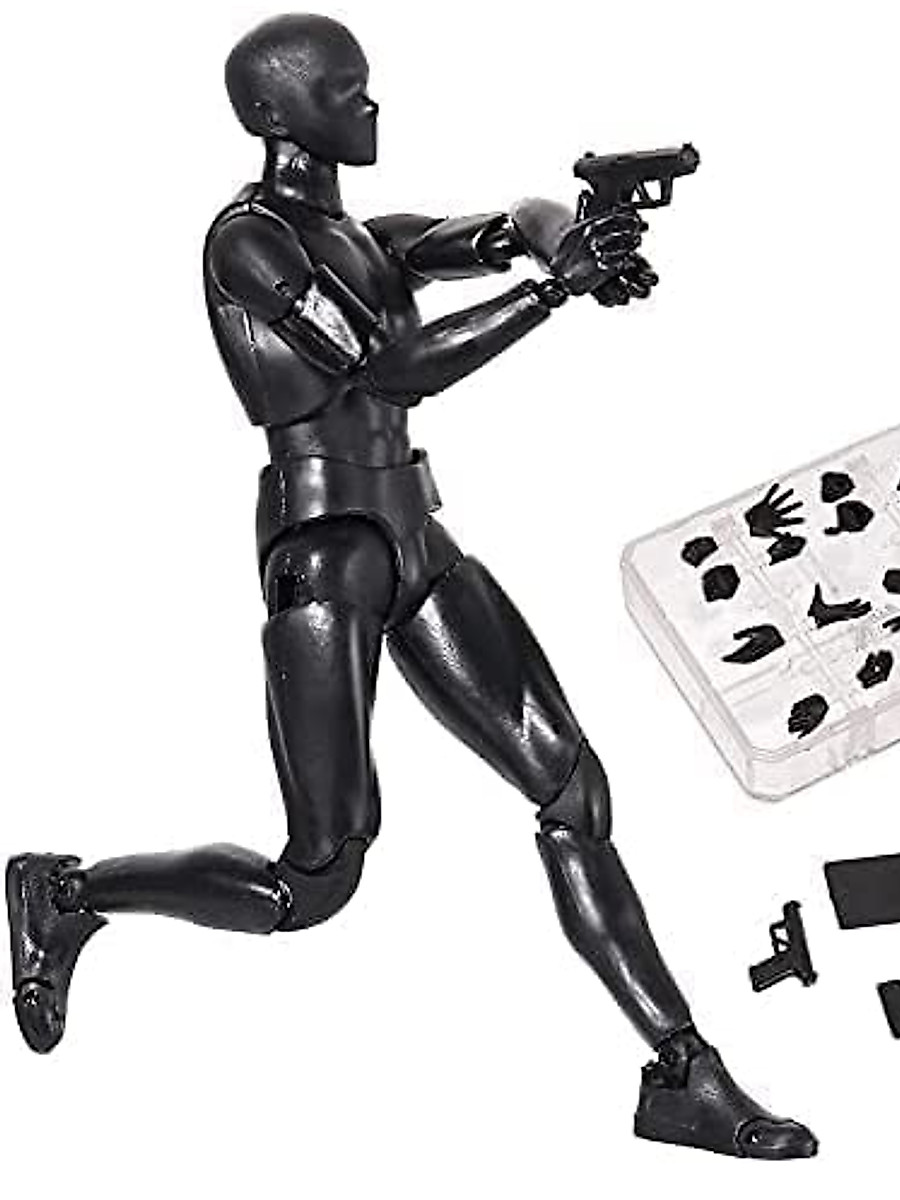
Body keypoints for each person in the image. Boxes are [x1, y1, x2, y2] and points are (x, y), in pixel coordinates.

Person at [6, 13, 816, 1160]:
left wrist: (571, 228)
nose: (370, 105)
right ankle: (67, 893)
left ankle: (684, 1074)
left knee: (571, 789)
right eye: (346, 90)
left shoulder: (361, 239)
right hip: (324, 556)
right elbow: (390, 369)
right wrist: (552, 293)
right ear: (276, 114)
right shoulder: (249, 246)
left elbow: (491, 227)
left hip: (415, 538)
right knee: (315, 878)